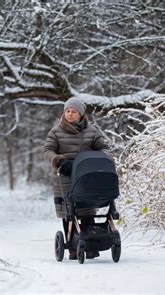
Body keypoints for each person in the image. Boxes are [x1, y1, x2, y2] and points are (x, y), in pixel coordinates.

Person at [43, 97, 109, 260]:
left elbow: (104, 148)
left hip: (87, 175)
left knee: (87, 209)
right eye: (67, 111)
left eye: (73, 112)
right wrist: (59, 160)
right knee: (69, 211)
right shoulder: (56, 132)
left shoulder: (91, 131)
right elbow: (47, 150)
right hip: (64, 175)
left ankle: (90, 245)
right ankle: (72, 246)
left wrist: (98, 160)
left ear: (80, 114)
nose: (70, 114)